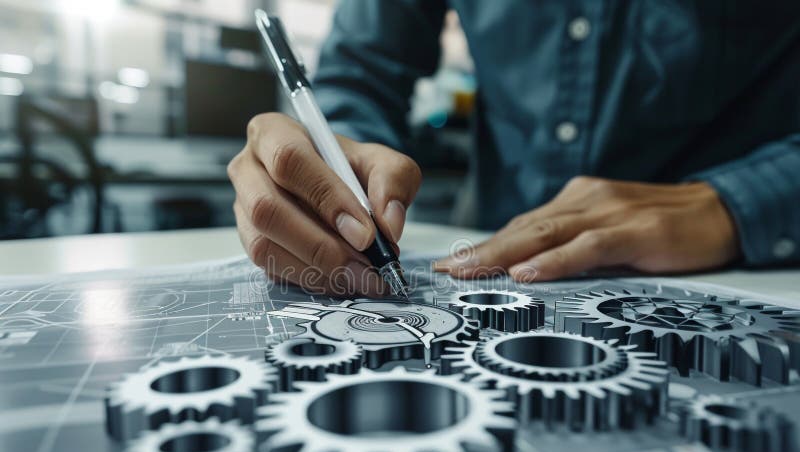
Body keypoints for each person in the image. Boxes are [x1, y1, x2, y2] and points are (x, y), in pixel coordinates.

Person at [228, 1, 800, 295]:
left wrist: (737, 203)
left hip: (735, 266)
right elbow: (361, 72)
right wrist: (339, 162)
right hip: (481, 254)